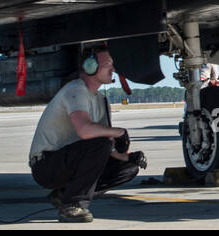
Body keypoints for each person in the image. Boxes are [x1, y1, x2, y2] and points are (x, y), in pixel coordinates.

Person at [28, 47, 145, 223]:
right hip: (46, 165)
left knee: (127, 168)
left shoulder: (101, 99)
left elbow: (105, 147)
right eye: (108, 65)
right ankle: (72, 206)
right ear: (90, 67)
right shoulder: (75, 89)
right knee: (100, 144)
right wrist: (119, 132)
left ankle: (63, 195)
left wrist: (127, 157)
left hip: (71, 160)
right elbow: (85, 130)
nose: (113, 69)